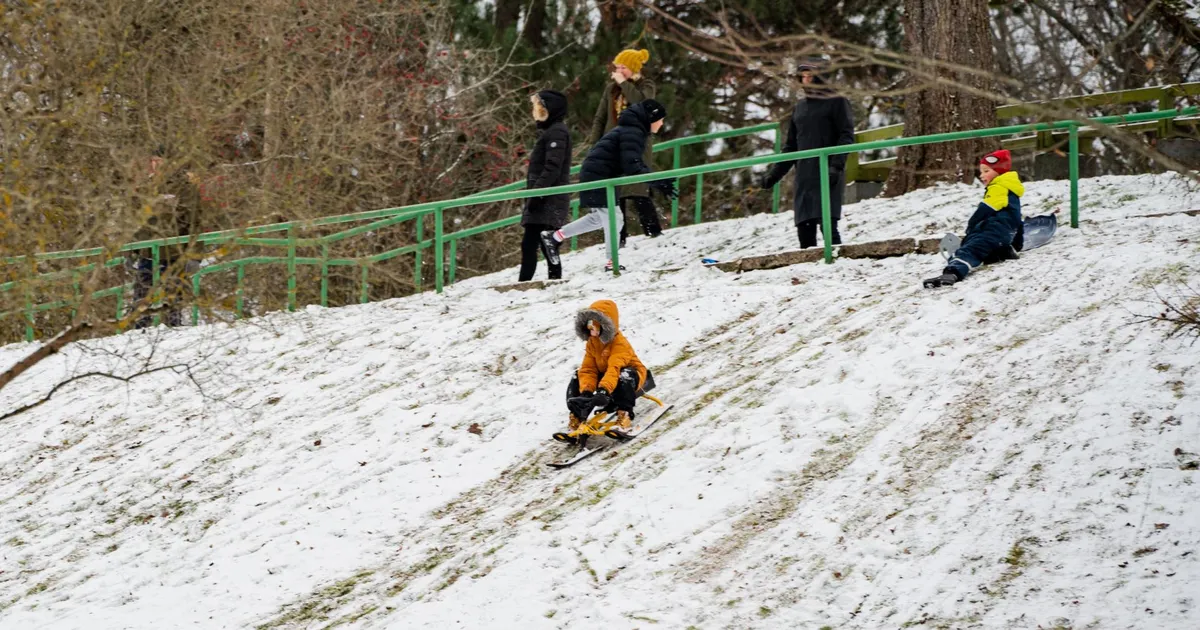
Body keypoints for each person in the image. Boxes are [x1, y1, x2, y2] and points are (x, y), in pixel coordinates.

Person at [540, 99, 677, 273]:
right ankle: (612, 262)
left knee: (598, 218)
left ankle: (554, 237)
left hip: (596, 174)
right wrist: (657, 181)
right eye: (660, 119)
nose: (662, 123)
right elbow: (632, 164)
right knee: (615, 218)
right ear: (651, 118)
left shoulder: (633, 131)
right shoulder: (633, 132)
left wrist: (656, 180)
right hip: (599, 176)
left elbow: (632, 163)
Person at [759, 58, 855, 249]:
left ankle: (835, 261)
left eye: (810, 75)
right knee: (804, 228)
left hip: (827, 172)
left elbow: (846, 136)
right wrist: (774, 175)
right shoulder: (800, 108)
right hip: (804, 176)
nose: (806, 80)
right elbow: (791, 147)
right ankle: (808, 269)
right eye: (802, 76)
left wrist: (836, 166)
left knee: (827, 224)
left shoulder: (837, 101)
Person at [588, 48, 664, 246]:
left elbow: (642, 104)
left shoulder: (646, 85)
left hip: (636, 144)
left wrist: (623, 84)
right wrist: (594, 145)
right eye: (617, 67)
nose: (619, 71)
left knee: (638, 189)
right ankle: (619, 238)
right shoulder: (610, 89)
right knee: (615, 192)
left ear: (633, 68)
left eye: (624, 67)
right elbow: (600, 117)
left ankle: (653, 233)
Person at [923, 149, 1025, 288]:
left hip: (991, 231)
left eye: (986, 171)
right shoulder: (1012, 191)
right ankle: (1002, 252)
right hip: (1005, 235)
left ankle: (952, 273)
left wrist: (971, 226)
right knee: (986, 248)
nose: (982, 175)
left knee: (970, 250)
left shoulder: (998, 187)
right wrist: (1017, 243)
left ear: (999, 172)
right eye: (981, 172)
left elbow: (984, 210)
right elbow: (1017, 220)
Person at [564, 299, 655, 432]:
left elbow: (614, 369)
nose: (591, 331)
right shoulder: (592, 343)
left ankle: (624, 414)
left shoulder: (619, 343)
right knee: (577, 376)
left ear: (604, 325)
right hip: (607, 377)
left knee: (623, 376)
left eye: (594, 326)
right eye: (589, 326)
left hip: (630, 376)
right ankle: (578, 414)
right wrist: (587, 391)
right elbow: (589, 369)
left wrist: (604, 390)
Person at [518, 89, 571, 282]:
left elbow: (553, 167)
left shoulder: (557, 132)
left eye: (538, 106)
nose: (534, 111)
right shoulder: (551, 131)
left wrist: (537, 193)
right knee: (539, 243)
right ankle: (546, 280)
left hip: (548, 198)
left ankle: (548, 280)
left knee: (543, 242)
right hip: (544, 196)